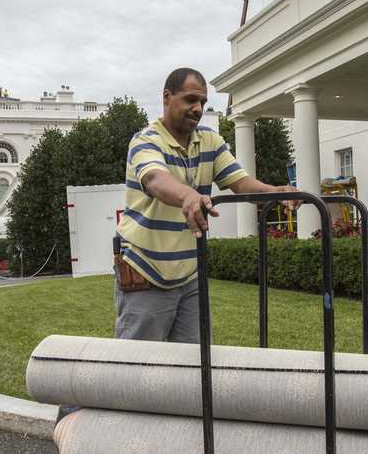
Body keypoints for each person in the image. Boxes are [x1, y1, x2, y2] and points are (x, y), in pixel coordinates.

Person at [115, 67, 298, 342]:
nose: (198, 108)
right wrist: (188, 195)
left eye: (203, 102)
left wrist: (275, 191)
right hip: (145, 272)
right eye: (190, 99)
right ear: (167, 97)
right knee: (138, 370)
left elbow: (240, 182)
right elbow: (155, 179)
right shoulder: (145, 141)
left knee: (195, 367)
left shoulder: (210, 141)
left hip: (190, 277)